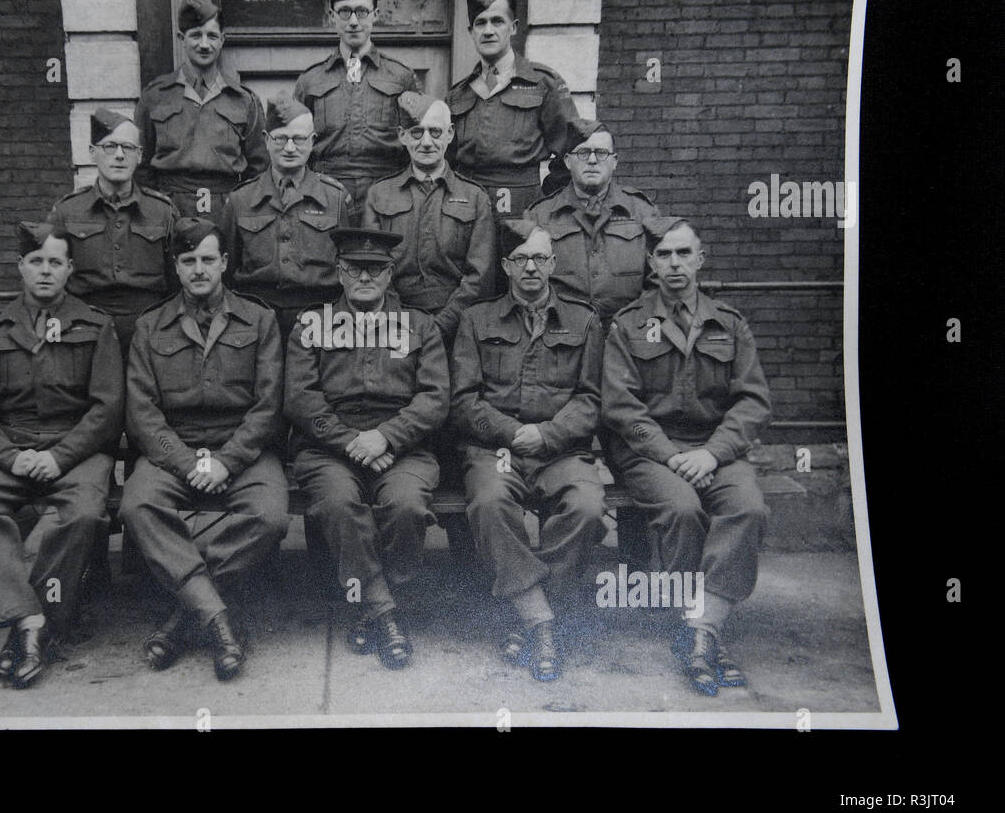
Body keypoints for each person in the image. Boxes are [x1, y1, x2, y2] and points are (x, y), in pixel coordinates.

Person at [601, 221, 772, 696]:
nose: (674, 263)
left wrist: (712, 453)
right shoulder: (628, 324)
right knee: (681, 509)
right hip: (650, 452)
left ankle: (702, 632)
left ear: (701, 258)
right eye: (664, 255)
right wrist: (672, 456)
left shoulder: (730, 324)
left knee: (747, 509)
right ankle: (694, 623)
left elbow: (753, 402)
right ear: (651, 265)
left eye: (683, 253)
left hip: (717, 448)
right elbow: (619, 405)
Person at [0, 226, 123, 688]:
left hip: (77, 450)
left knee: (84, 513)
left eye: (54, 263)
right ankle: (31, 622)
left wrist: (60, 457)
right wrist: (10, 458)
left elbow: (108, 408)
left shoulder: (95, 325)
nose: (45, 271)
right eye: (36, 262)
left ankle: (33, 624)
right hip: (10, 449)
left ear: (69, 269)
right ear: (20, 267)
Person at [120, 217, 289, 682]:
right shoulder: (150, 326)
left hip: (244, 448)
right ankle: (216, 617)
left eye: (208, 259)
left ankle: (181, 614)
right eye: (189, 260)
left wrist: (227, 460)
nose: (199, 269)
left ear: (225, 263)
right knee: (138, 508)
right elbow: (142, 413)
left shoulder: (259, 319)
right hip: (173, 450)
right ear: (176, 266)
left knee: (270, 516)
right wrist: (187, 461)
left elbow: (269, 405)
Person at [284, 228, 449, 670]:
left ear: (390, 273)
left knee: (407, 506)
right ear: (339, 272)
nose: (364, 276)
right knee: (338, 503)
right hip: (329, 448)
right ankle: (385, 613)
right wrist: (349, 440)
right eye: (355, 267)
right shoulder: (311, 324)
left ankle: (372, 605)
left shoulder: (419, 325)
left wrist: (388, 436)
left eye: (375, 268)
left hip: (403, 446)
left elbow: (435, 397)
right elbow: (300, 397)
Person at [451, 220, 605, 681]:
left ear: (554, 264)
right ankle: (541, 622)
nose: (531, 267)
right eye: (520, 259)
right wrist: (511, 432)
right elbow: (463, 399)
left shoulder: (584, 320)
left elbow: (592, 397)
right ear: (505, 266)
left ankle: (533, 610)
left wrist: (549, 434)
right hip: (497, 449)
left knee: (588, 508)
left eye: (540, 258)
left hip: (561, 450)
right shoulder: (476, 319)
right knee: (491, 503)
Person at [43, 108, 179, 355]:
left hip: (148, 330)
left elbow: (176, 283)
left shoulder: (162, 211)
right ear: (92, 153)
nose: (119, 155)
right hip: (84, 328)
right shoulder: (68, 211)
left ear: (139, 156)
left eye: (128, 148)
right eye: (110, 146)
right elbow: (50, 278)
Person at [363, 91, 495, 344]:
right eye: (416, 132)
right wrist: (399, 322)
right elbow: (372, 267)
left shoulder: (475, 197)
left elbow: (480, 277)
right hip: (391, 324)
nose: (426, 142)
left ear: (450, 134)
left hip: (456, 326)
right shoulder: (379, 195)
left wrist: (442, 326)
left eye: (435, 132)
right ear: (402, 136)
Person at [136, 0, 269, 243]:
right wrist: (156, 206)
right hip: (169, 204)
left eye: (212, 36)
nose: (204, 44)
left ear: (223, 40)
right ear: (181, 39)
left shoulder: (244, 100)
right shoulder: (155, 97)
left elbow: (258, 168)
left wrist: (239, 206)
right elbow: (141, 164)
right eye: (196, 35)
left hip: (226, 205)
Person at [223, 93, 354, 335]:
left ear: (313, 141)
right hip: (256, 318)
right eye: (281, 139)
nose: (291, 148)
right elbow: (228, 272)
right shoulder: (240, 200)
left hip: (320, 317)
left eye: (299, 139)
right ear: (266, 139)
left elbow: (348, 267)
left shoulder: (335, 198)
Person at [294, 0, 418, 217]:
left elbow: (416, 143)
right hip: (324, 192)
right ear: (332, 16)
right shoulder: (310, 80)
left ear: (375, 15)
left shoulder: (401, 77)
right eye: (344, 11)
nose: (353, 21)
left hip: (387, 191)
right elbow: (295, 144)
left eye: (361, 12)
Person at [523, 118, 667, 325]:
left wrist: (636, 326)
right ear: (567, 161)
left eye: (601, 153)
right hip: (563, 337)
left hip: (627, 335)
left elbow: (658, 282)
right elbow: (529, 287)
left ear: (614, 161)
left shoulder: (643, 211)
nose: (592, 160)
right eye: (583, 153)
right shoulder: (539, 216)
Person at [445, 0, 571, 221]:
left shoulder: (542, 83)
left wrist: (547, 199)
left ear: (513, 27)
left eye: (497, 21)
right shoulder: (458, 94)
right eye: (480, 23)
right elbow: (446, 161)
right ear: (470, 32)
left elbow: (572, 148)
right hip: (466, 209)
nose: (489, 31)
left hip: (524, 206)